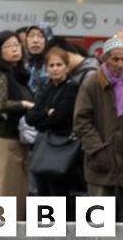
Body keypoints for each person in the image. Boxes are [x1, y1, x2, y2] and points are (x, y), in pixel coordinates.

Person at [74, 36, 123, 220]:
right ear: (106, 59)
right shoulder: (92, 83)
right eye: (115, 59)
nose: (120, 64)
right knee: (98, 217)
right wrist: (97, 149)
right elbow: (81, 121)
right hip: (100, 160)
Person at [27, 47, 83, 218]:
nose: (55, 68)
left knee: (61, 191)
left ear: (67, 67)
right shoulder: (48, 87)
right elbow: (30, 117)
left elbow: (60, 117)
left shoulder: (72, 88)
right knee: (42, 190)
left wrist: (44, 115)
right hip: (45, 146)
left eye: (59, 64)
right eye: (51, 65)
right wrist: (46, 113)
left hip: (63, 148)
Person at [0, 31, 34, 216]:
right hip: (5, 141)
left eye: (16, 44)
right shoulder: (2, 76)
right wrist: (24, 104)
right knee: (2, 194)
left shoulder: (21, 76)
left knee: (19, 195)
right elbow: (0, 104)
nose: (14, 49)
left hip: (21, 142)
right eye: (8, 46)